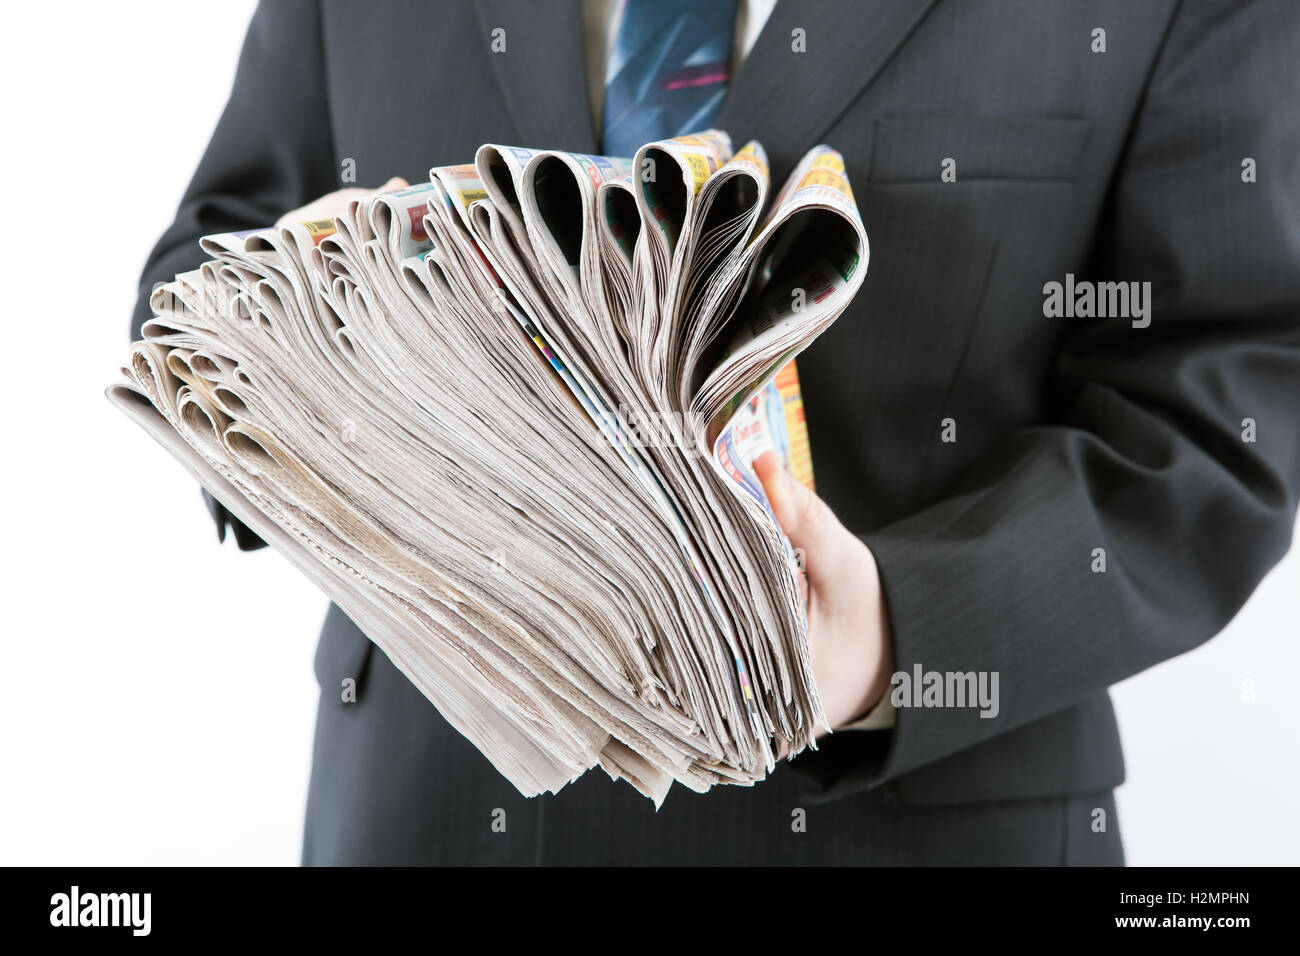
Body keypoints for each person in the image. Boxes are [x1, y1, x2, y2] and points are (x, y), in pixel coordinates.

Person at [132, 0, 1300, 865]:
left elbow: (1223, 400)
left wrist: (897, 631)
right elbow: (213, 260)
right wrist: (352, 387)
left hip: (906, 826)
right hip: (423, 812)